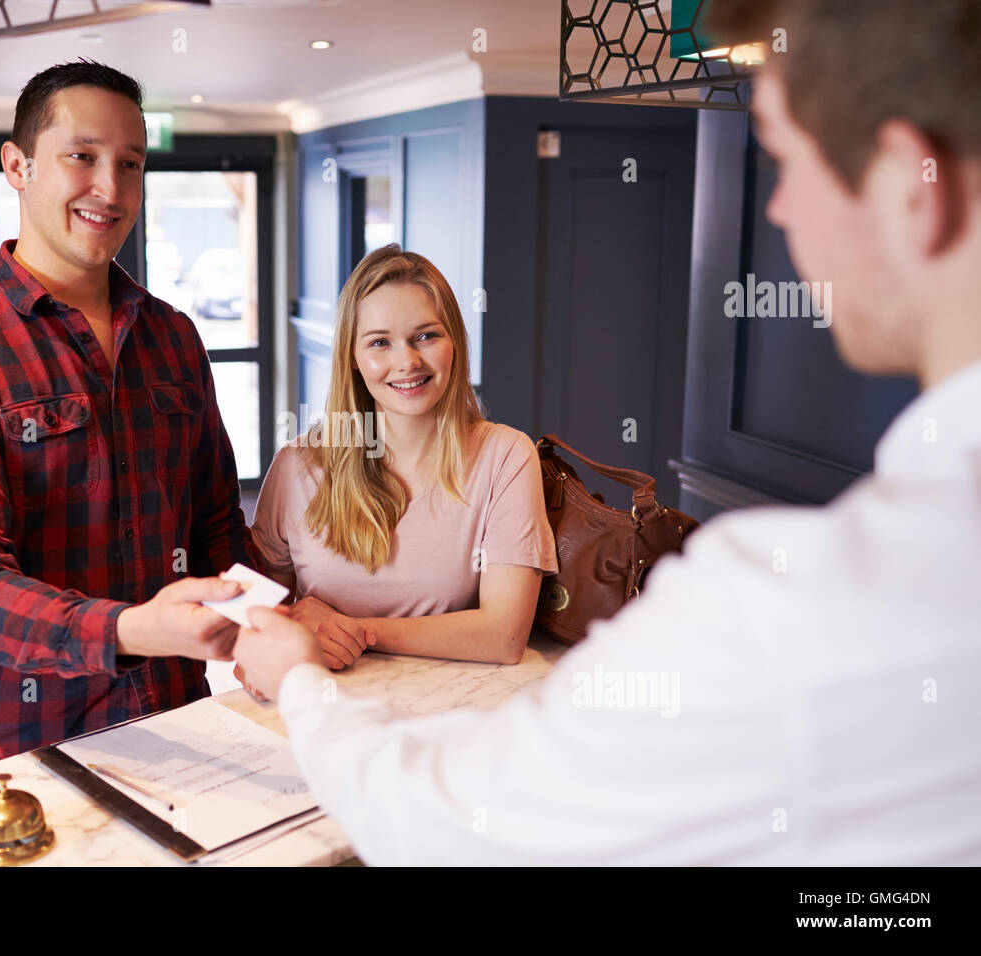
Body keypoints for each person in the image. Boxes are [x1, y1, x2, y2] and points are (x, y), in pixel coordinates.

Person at [232, 0, 981, 864]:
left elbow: (459, 823)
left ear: (907, 188)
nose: (778, 216)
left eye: (787, 164)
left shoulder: (802, 607)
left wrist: (300, 679)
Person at [0, 61, 259, 781]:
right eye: (82, 157)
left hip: (176, 714)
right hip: (13, 748)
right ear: (18, 166)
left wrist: (277, 612)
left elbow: (217, 524)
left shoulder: (174, 337)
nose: (110, 189)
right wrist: (133, 629)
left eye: (130, 163)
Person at [238, 246, 556, 696]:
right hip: (324, 713)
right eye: (379, 342)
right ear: (352, 356)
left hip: (455, 715)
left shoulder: (505, 456)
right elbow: (259, 612)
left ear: (455, 343)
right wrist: (272, 642)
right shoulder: (298, 465)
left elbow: (503, 636)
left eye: (426, 336)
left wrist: (356, 631)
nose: (407, 361)